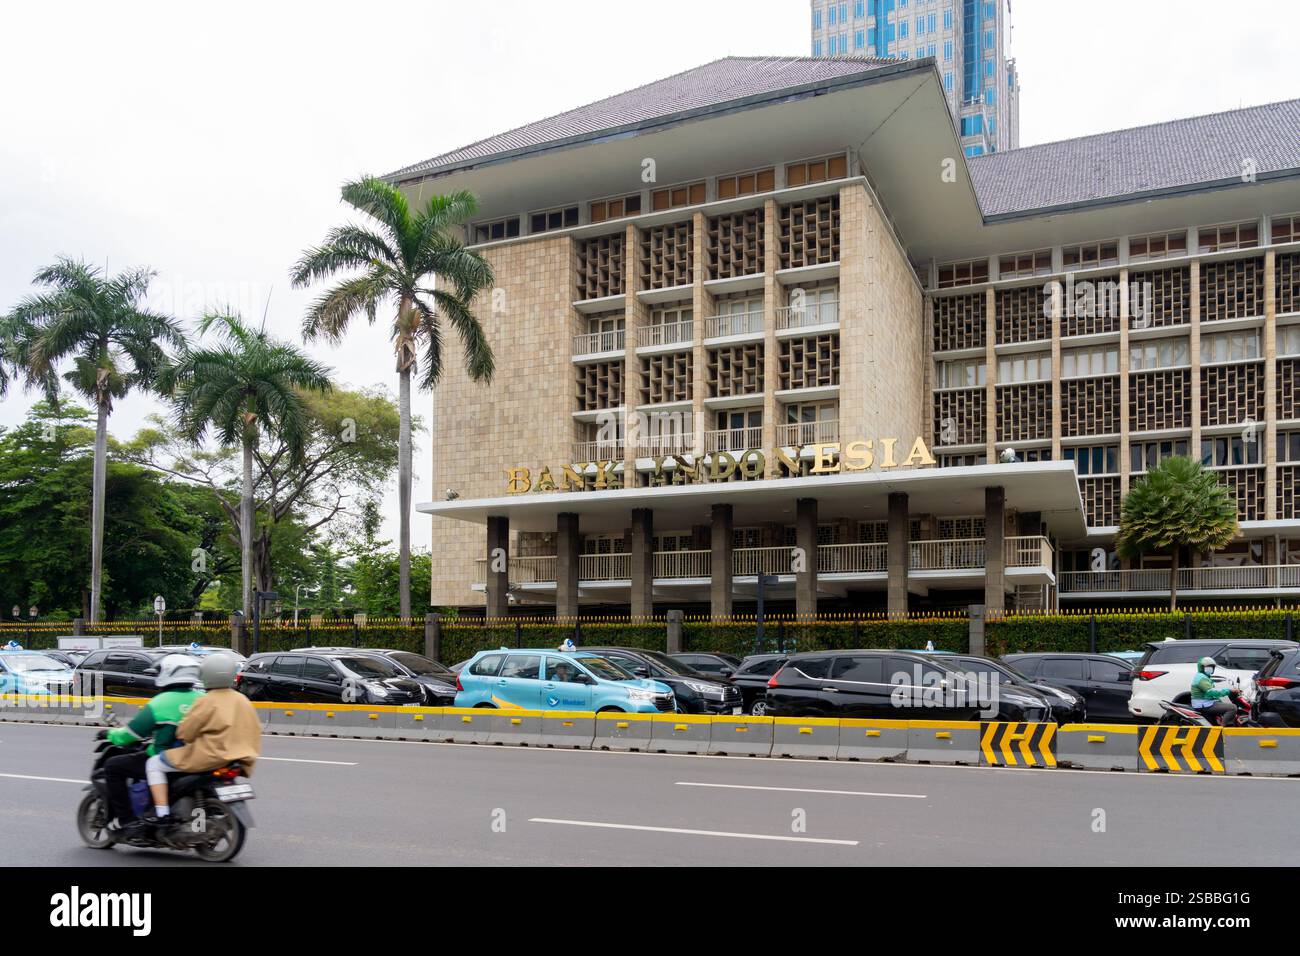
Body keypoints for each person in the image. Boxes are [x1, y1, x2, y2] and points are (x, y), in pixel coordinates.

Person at [142, 652, 261, 821]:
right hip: (240, 758)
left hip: (209, 757)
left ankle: (162, 814)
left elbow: (185, 733)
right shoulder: (243, 700)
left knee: (153, 764)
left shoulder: (206, 701)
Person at [102, 654, 203, 832]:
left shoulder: (159, 703)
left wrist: (110, 734)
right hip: (200, 756)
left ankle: (125, 819)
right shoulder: (202, 698)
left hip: (167, 757)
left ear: (169, 673)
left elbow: (132, 733)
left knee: (112, 766)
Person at [1190, 655, 1236, 725]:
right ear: (1201, 667)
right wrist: (1228, 691)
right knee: (1232, 708)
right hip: (1203, 704)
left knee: (1221, 702)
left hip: (1204, 702)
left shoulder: (1203, 676)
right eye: (1208, 666)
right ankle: (1225, 728)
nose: (1210, 668)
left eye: (1211, 667)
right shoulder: (1202, 678)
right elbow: (1211, 692)